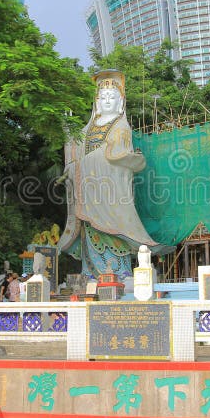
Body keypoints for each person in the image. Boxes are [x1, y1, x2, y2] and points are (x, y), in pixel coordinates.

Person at [57, 70, 157, 280]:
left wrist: (82, 165)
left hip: (111, 192)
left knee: (113, 230)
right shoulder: (89, 127)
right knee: (90, 231)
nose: (107, 101)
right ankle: (89, 274)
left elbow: (115, 154)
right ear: (96, 101)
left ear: (121, 102)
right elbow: (76, 148)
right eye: (103, 97)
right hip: (89, 191)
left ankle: (119, 272)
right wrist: (70, 137)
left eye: (112, 97)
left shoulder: (121, 126)